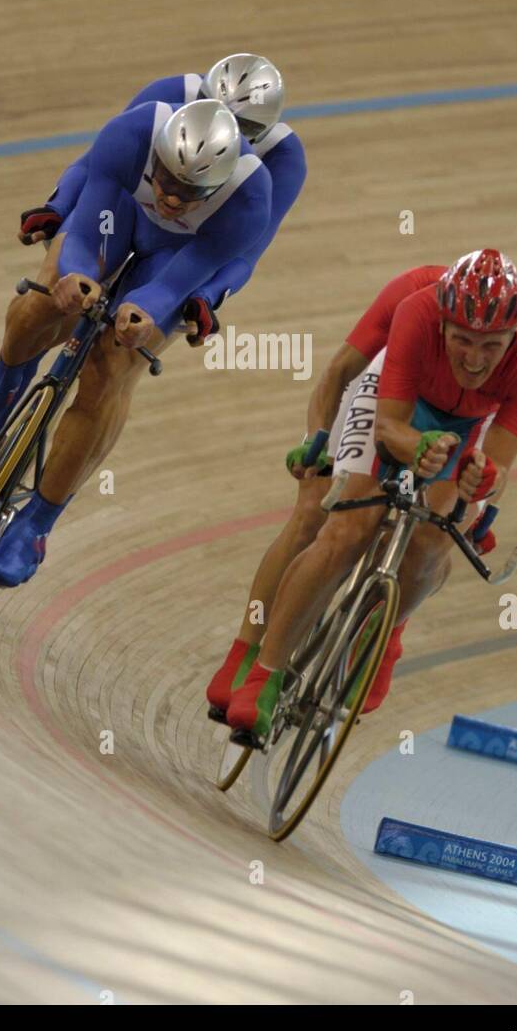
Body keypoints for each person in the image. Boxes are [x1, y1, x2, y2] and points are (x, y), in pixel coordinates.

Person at [221, 249, 517, 740]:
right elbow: (388, 426)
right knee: (347, 527)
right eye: (463, 339)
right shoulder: (417, 309)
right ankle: (264, 674)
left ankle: (384, 634)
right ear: (444, 324)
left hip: (469, 424)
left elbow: (496, 466)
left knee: (431, 542)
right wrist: (408, 447)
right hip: (398, 401)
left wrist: (478, 479)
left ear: (515, 335)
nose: (474, 358)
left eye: (493, 346)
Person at [0, 98, 273, 587]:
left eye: (191, 191)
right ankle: (2, 385)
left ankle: (36, 524)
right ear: (157, 155)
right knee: (47, 300)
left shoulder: (250, 197)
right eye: (166, 179)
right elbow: (85, 221)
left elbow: (178, 281)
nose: (172, 198)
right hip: (116, 216)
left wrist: (143, 311)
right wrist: (76, 272)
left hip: (178, 255)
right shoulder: (134, 132)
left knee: (109, 369)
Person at [205, 264, 444, 721]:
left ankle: (385, 632)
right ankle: (246, 651)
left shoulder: (503, 354)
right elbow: (338, 373)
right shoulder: (411, 291)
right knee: (314, 512)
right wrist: (317, 440)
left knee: (437, 536)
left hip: (452, 421)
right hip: (380, 391)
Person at [19, 54, 305, 344]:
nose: (218, 129)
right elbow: (95, 164)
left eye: (241, 128)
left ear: (263, 132)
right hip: (118, 214)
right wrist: (58, 206)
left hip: (184, 250)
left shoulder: (281, 162)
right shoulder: (167, 97)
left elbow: (245, 255)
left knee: (113, 363)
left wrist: (206, 296)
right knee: (37, 312)